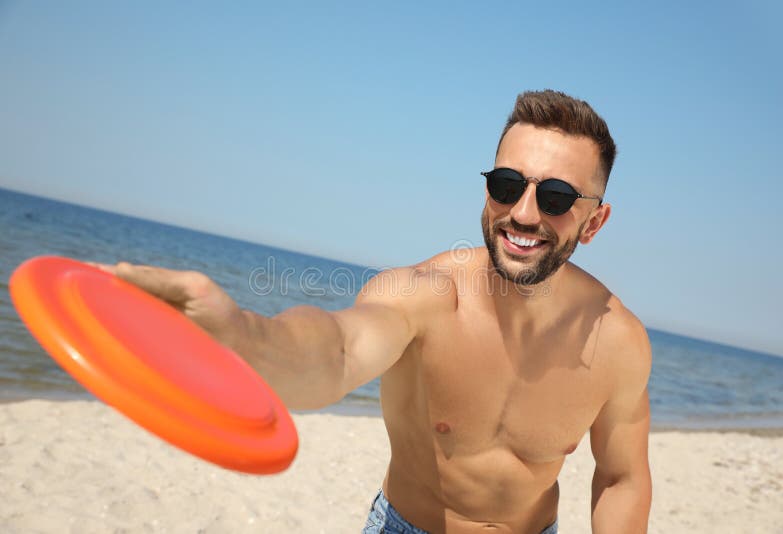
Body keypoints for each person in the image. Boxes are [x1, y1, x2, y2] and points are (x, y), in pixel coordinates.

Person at [105, 89, 652, 533]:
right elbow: (337, 351)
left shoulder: (618, 343)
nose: (523, 213)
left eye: (555, 197)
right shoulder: (426, 296)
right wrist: (240, 333)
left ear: (594, 222)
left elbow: (621, 477)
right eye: (506, 186)